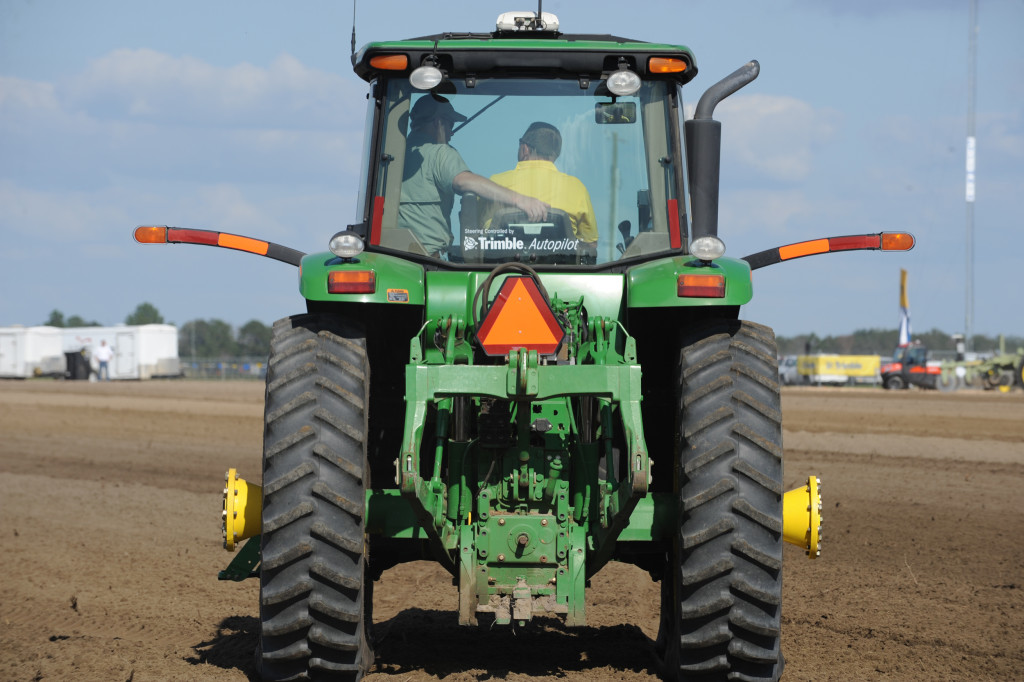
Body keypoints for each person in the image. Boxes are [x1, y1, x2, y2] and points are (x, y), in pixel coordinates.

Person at [398, 94, 549, 257]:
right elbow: (464, 181)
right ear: (439, 123)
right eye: (450, 125)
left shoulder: (393, 157)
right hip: (428, 259)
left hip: (392, 256)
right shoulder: (440, 153)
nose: (451, 133)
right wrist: (521, 200)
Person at [487, 122, 598, 250]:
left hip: (501, 268)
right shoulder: (577, 189)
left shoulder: (493, 185)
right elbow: (590, 245)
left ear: (525, 149)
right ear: (555, 154)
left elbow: (477, 232)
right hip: (560, 268)